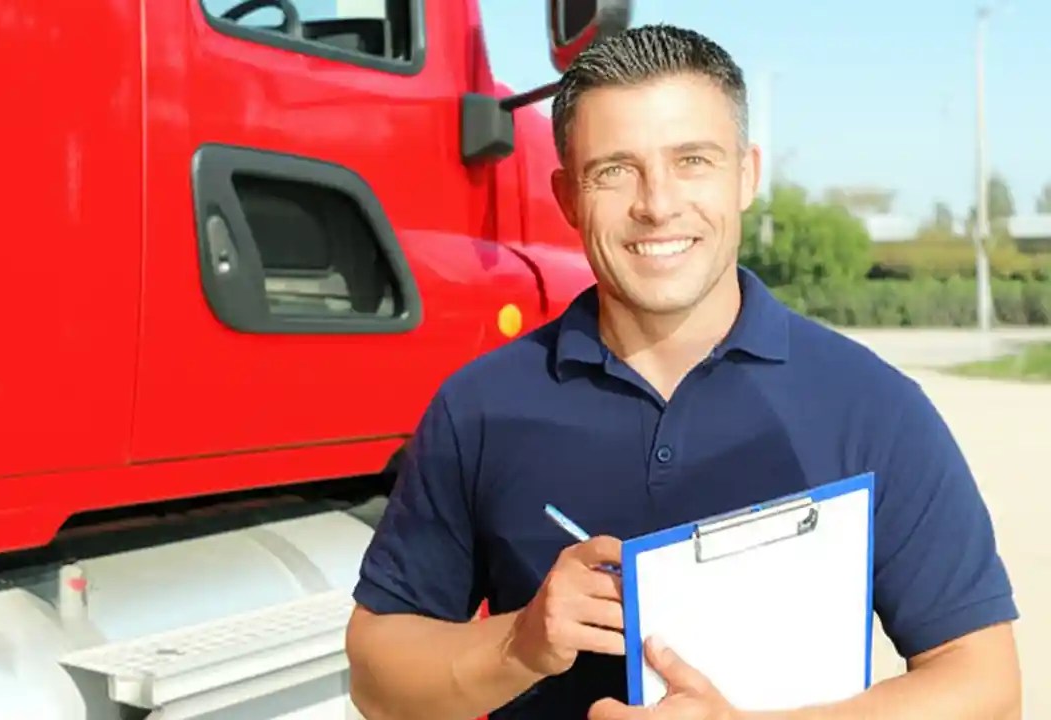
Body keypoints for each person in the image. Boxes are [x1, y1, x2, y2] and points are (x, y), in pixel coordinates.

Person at [344, 23, 1022, 720]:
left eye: (692, 160)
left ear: (747, 174)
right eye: (614, 170)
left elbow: (984, 685)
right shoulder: (478, 409)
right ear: (567, 196)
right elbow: (376, 679)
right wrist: (517, 643)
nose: (657, 203)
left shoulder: (872, 405)